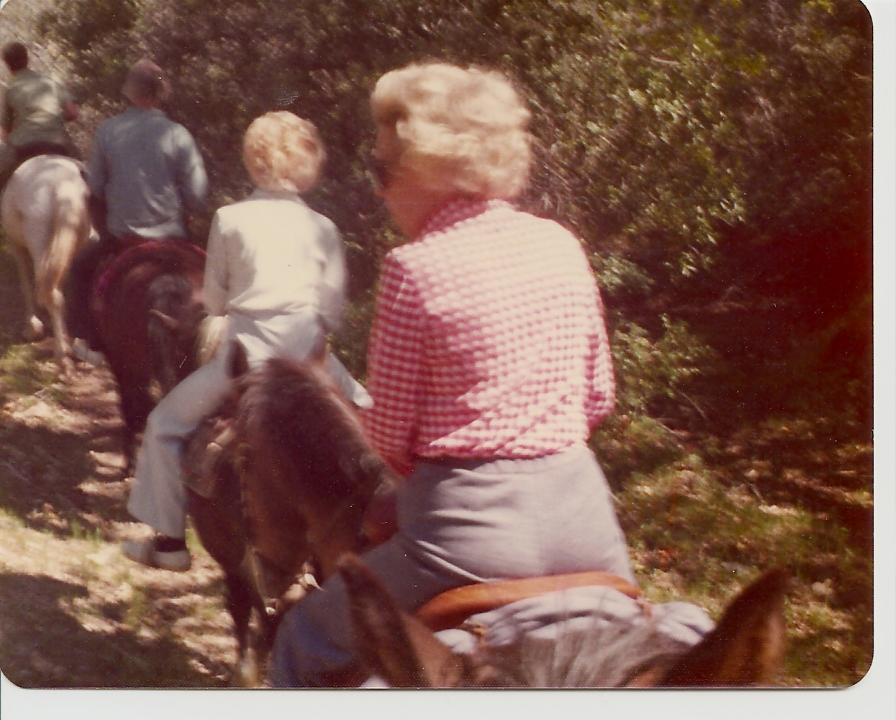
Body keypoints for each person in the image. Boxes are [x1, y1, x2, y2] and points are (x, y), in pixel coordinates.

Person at [268, 62, 634, 687]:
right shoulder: (560, 243)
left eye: (383, 170)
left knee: (303, 639)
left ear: (427, 167)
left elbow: (390, 442)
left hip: (465, 538)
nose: (379, 192)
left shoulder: (414, 268)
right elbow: (598, 397)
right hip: (588, 523)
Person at [121, 110, 356, 571]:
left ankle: (170, 544)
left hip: (245, 359)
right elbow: (332, 312)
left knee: (164, 424)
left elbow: (215, 302)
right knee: (372, 422)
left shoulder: (229, 219)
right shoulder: (324, 228)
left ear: (254, 160)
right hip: (311, 362)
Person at [66, 58, 209, 363]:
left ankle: (90, 342)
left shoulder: (108, 131)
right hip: (173, 239)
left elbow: (96, 187)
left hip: (123, 240)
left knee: (79, 269)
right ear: (161, 93)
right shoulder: (178, 134)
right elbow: (197, 196)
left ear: (129, 92)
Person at [0, 41, 80, 191]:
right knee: (84, 172)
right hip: (58, 141)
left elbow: (4, 133)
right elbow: (73, 113)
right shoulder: (51, 81)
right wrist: (56, 119)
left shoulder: (9, 88)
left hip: (23, 144)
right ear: (27, 59)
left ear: (6, 63)